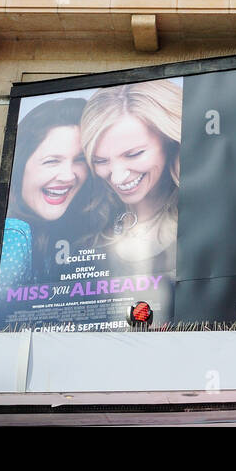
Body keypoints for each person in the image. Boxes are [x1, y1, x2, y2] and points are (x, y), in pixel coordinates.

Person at [80, 81, 183, 315]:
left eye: (134, 154)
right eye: (101, 161)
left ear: (170, 141)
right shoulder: (89, 234)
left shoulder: (205, 221)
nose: (117, 177)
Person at [0, 97, 98, 305]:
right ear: (19, 167)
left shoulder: (59, 231)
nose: (68, 176)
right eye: (52, 161)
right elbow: (1, 320)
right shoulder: (14, 236)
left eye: (79, 160)